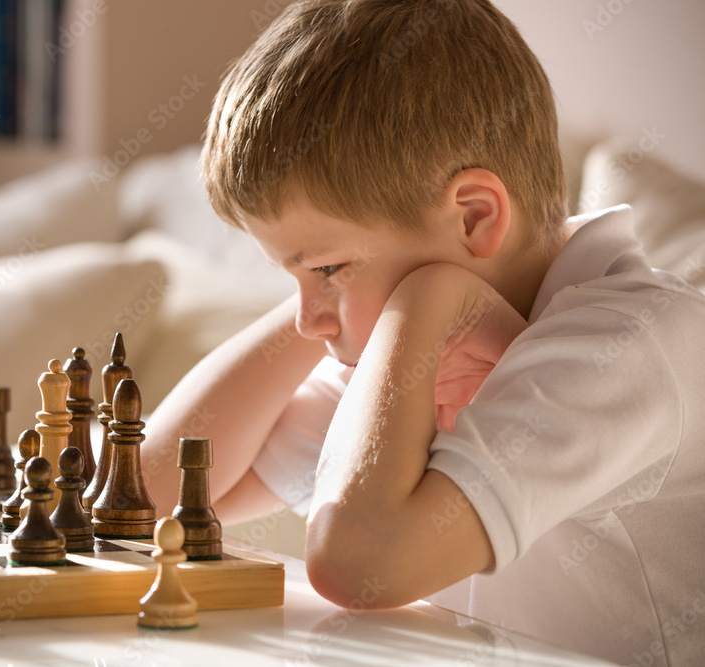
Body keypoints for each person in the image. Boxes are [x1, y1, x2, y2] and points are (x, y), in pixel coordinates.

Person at [141, 1, 705, 665]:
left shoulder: (634, 345)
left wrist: (426, 297)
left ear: (473, 218)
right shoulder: (416, 357)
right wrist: (343, 288)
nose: (306, 318)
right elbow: (149, 494)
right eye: (291, 274)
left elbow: (360, 567)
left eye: (328, 267)